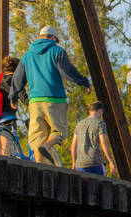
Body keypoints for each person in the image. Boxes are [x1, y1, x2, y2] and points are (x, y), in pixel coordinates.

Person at [9, 25, 90, 166]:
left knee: (37, 136)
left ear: (40, 36)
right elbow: (67, 71)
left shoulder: (27, 55)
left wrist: (13, 96)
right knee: (59, 131)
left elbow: (17, 78)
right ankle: (47, 147)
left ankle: (39, 165)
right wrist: (84, 82)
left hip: (34, 102)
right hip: (54, 99)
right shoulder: (56, 51)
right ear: (53, 38)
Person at [71, 101, 117, 177]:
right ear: (100, 111)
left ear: (90, 111)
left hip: (80, 164)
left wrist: (74, 163)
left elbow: (73, 146)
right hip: (95, 162)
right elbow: (104, 143)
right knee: (99, 186)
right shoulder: (100, 123)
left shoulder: (79, 125)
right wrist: (111, 161)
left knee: (83, 188)